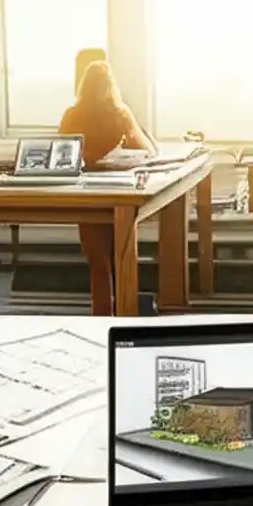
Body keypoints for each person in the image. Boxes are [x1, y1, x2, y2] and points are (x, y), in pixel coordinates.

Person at [58, 60, 156, 315]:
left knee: (97, 262)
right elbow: (148, 151)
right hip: (120, 193)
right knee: (122, 256)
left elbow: (60, 153)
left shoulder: (72, 115)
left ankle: (101, 316)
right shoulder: (120, 113)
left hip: (87, 194)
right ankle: (127, 313)